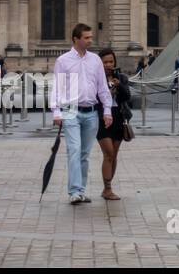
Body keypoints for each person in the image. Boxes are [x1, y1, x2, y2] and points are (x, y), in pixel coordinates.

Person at [50, 23, 114, 204]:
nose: (90, 40)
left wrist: (107, 110)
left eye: (90, 37)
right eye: (86, 37)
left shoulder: (95, 60)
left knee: (84, 153)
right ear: (75, 39)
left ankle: (81, 189)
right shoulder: (63, 61)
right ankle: (74, 191)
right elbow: (59, 88)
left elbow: (102, 88)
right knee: (74, 150)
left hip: (91, 110)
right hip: (70, 108)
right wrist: (56, 111)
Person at [95, 48, 131, 201]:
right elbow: (92, 98)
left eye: (111, 62)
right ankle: (108, 188)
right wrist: (104, 94)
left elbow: (128, 97)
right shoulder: (96, 78)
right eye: (105, 62)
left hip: (118, 117)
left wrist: (119, 86)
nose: (109, 65)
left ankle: (107, 187)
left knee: (114, 155)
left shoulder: (121, 77)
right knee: (108, 153)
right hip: (102, 118)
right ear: (99, 63)